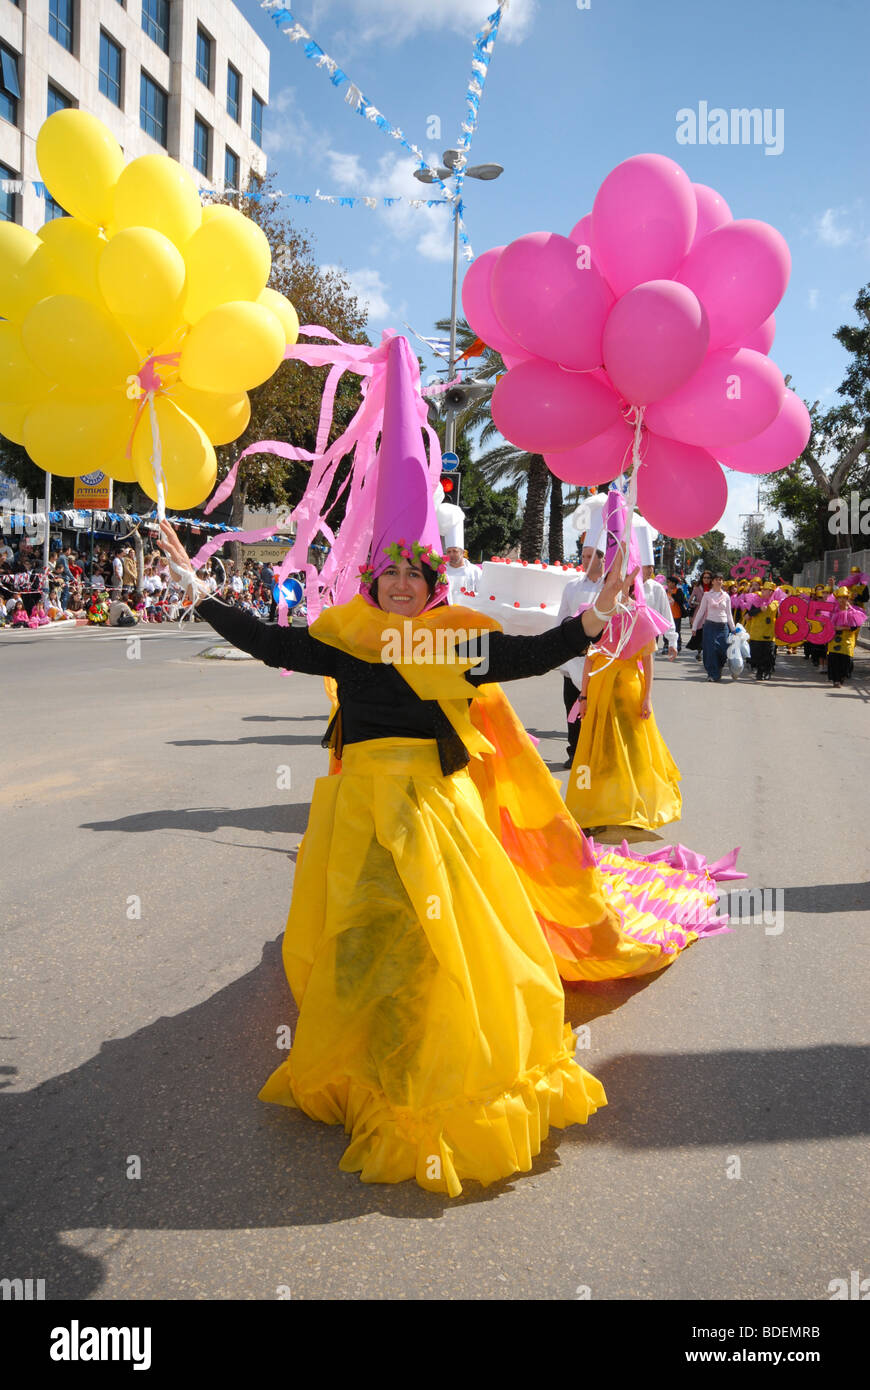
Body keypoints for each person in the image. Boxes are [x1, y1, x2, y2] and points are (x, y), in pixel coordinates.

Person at [156, 337, 736, 1198]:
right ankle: (367, 1054)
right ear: (374, 578)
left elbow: (526, 660)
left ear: (430, 580)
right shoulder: (346, 639)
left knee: (450, 947)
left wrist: (592, 622)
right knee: (363, 937)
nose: (396, 583)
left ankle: (436, 1063)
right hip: (358, 809)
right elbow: (268, 640)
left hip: (437, 808)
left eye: (412, 572)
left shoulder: (453, 640)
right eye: (386, 571)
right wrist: (197, 591)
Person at [555, 544, 604, 767]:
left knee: (597, 707)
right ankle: (574, 752)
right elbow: (561, 618)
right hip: (574, 657)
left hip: (601, 658)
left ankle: (597, 753)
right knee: (572, 707)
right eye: (583, 556)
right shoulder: (572, 586)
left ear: (602, 559)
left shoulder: (610, 587)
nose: (584, 560)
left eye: (589, 556)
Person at [691, 574, 736, 682]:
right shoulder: (707, 595)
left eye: (721, 579)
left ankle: (718, 668)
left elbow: (729, 614)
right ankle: (712, 674)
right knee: (710, 651)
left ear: (723, 582)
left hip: (723, 627)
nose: (719, 581)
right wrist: (694, 627)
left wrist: (734, 629)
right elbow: (701, 611)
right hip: (710, 626)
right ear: (712, 582)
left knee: (723, 650)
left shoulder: (726, 596)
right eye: (716, 579)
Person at [826, 586, 866, 687]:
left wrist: (841, 628)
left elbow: (854, 627)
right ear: (837, 599)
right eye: (840, 597)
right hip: (834, 640)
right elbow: (827, 624)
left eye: (844, 597)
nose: (842, 599)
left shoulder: (853, 612)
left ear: (848, 599)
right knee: (834, 660)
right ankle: (836, 680)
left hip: (847, 641)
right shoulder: (832, 611)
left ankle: (842, 676)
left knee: (846, 661)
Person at [744, 581, 778, 682]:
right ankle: (759, 671)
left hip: (768, 634)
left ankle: (767, 672)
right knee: (756, 655)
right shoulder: (755, 601)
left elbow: (773, 610)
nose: (762, 591)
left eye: (765, 590)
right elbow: (747, 616)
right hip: (756, 634)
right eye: (762, 589)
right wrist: (759, 609)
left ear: (771, 592)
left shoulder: (775, 603)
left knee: (769, 655)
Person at [642, 565, 678, 660]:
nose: (650, 570)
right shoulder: (623, 585)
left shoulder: (657, 588)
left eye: (652, 567)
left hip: (648, 642)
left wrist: (672, 642)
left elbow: (666, 615)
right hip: (622, 645)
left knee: (646, 674)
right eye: (647, 566)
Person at [666, 575, 688, 651]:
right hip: (667, 615)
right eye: (667, 582)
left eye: (669, 582)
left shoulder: (678, 591)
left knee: (677, 630)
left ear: (674, 583)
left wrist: (673, 594)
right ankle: (666, 645)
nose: (668, 584)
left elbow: (681, 601)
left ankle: (678, 644)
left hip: (676, 615)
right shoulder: (665, 591)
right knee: (666, 630)